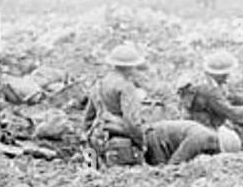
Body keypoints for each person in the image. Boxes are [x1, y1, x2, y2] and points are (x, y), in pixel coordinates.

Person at [84, 44, 221, 167]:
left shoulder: (99, 84)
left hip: (103, 145)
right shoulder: (126, 87)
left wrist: (91, 151)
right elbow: (132, 122)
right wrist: (142, 143)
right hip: (124, 146)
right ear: (132, 66)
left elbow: (87, 121)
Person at [178, 50, 243, 148]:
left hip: (198, 123)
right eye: (225, 74)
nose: (227, 76)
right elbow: (232, 113)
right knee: (234, 142)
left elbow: (227, 96)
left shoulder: (209, 79)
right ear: (219, 74)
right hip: (202, 131)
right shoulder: (209, 90)